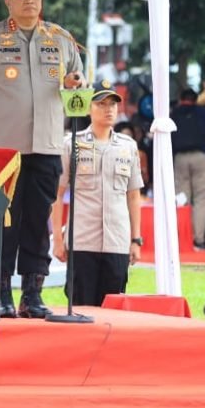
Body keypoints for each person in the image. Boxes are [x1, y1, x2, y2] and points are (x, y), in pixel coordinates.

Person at [0, 0, 84, 318]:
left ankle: (33, 293)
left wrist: (76, 83)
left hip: (46, 146)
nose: (30, 1)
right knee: (2, 221)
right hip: (2, 150)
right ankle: (1, 291)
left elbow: (78, 85)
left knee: (38, 220)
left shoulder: (61, 39)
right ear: (8, 1)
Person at [51, 81, 142, 307]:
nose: (108, 109)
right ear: (88, 108)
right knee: (81, 308)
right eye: (101, 104)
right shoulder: (71, 144)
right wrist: (58, 240)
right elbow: (57, 194)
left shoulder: (128, 146)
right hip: (82, 241)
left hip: (117, 242)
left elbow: (133, 196)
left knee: (113, 309)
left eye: (112, 104)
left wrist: (135, 240)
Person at [171, 88, 205, 248]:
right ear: (195, 99)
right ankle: (198, 240)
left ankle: (182, 239)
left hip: (180, 158)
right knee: (201, 200)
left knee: (181, 199)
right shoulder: (202, 111)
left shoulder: (174, 113)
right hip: (201, 156)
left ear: (181, 98)